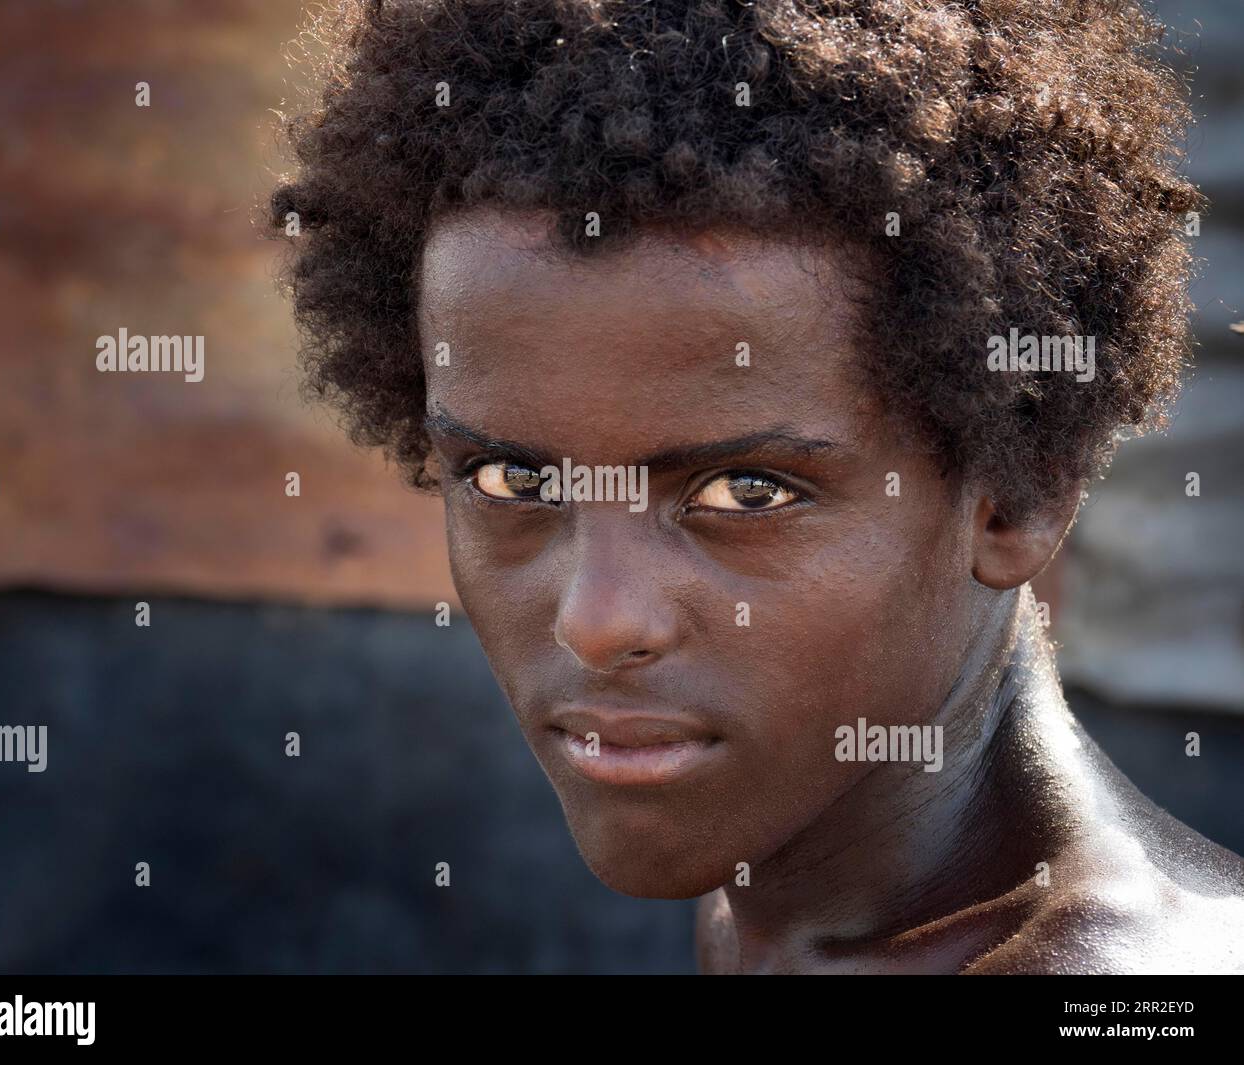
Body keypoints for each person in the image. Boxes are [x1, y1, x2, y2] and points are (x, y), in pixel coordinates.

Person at [270, 0, 1244, 973]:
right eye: (510, 475)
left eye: (744, 493)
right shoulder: (778, 913)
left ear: (1020, 493)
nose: (598, 621)